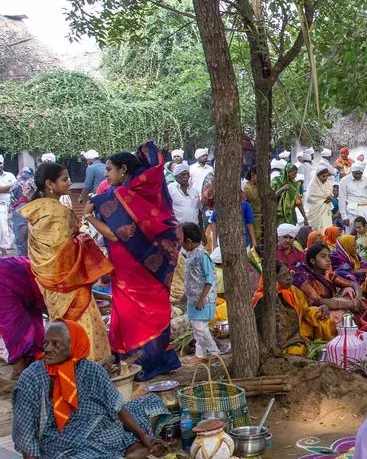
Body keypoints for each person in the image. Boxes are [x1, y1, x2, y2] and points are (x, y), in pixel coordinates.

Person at [5, 320, 168, 459]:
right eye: (46, 343)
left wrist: (144, 435)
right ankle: (130, 454)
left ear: (74, 345)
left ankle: (134, 446)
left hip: (105, 430)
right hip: (63, 448)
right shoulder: (32, 379)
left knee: (152, 401)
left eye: (56, 344)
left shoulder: (91, 370)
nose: (48, 349)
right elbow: (25, 432)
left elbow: (117, 406)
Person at [84, 145, 182, 380]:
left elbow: (117, 234)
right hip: (145, 267)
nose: (105, 175)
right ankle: (157, 360)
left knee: (133, 313)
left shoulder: (122, 197)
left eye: (109, 170)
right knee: (149, 311)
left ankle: (140, 363)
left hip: (134, 268)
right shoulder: (142, 192)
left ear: (123, 169)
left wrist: (88, 215)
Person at [22, 162, 112, 362]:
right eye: (64, 179)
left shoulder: (36, 211)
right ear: (49, 184)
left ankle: (67, 366)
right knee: (83, 322)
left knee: (60, 322)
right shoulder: (58, 212)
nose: (70, 183)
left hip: (48, 278)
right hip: (67, 279)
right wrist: (84, 238)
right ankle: (89, 364)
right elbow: (66, 249)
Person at [0, 256, 45, 378]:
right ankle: (19, 369)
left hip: (25, 286)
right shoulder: (53, 282)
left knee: (35, 326)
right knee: (14, 327)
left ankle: (32, 360)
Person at [260, 260, 337, 355]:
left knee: (324, 320)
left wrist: (319, 310)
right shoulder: (264, 297)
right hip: (284, 340)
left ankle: (332, 346)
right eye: (284, 275)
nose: (289, 278)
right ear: (273, 278)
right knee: (297, 350)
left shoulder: (293, 290)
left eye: (289, 273)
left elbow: (305, 310)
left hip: (300, 331)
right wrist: (298, 338)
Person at [180, 223, 221, 360]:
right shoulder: (191, 254)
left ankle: (214, 352)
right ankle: (200, 355)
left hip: (203, 300)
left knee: (200, 328)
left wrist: (202, 298)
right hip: (194, 299)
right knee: (197, 328)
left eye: (181, 240)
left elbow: (209, 279)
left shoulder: (202, 256)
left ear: (189, 241)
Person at [296, 242, 363, 315]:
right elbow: (318, 301)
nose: (328, 260)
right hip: (314, 312)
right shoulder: (304, 277)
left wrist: (357, 299)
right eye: (323, 256)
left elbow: (353, 284)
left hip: (332, 305)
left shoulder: (326, 273)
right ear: (312, 260)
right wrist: (350, 304)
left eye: (328, 256)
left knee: (349, 290)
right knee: (343, 314)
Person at [340, 163, 367, 227]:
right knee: (351, 234)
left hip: (366, 210)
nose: (358, 175)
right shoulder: (344, 181)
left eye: (360, 173)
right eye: (356, 173)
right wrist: (344, 216)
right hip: (351, 212)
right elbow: (342, 199)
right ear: (352, 171)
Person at [304, 165, 336, 232]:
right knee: (319, 230)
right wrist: (324, 200)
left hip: (326, 211)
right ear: (317, 176)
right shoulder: (312, 186)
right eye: (323, 176)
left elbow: (330, 194)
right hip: (316, 211)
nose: (325, 178)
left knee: (327, 228)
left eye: (327, 176)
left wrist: (330, 198)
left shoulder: (328, 184)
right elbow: (310, 199)